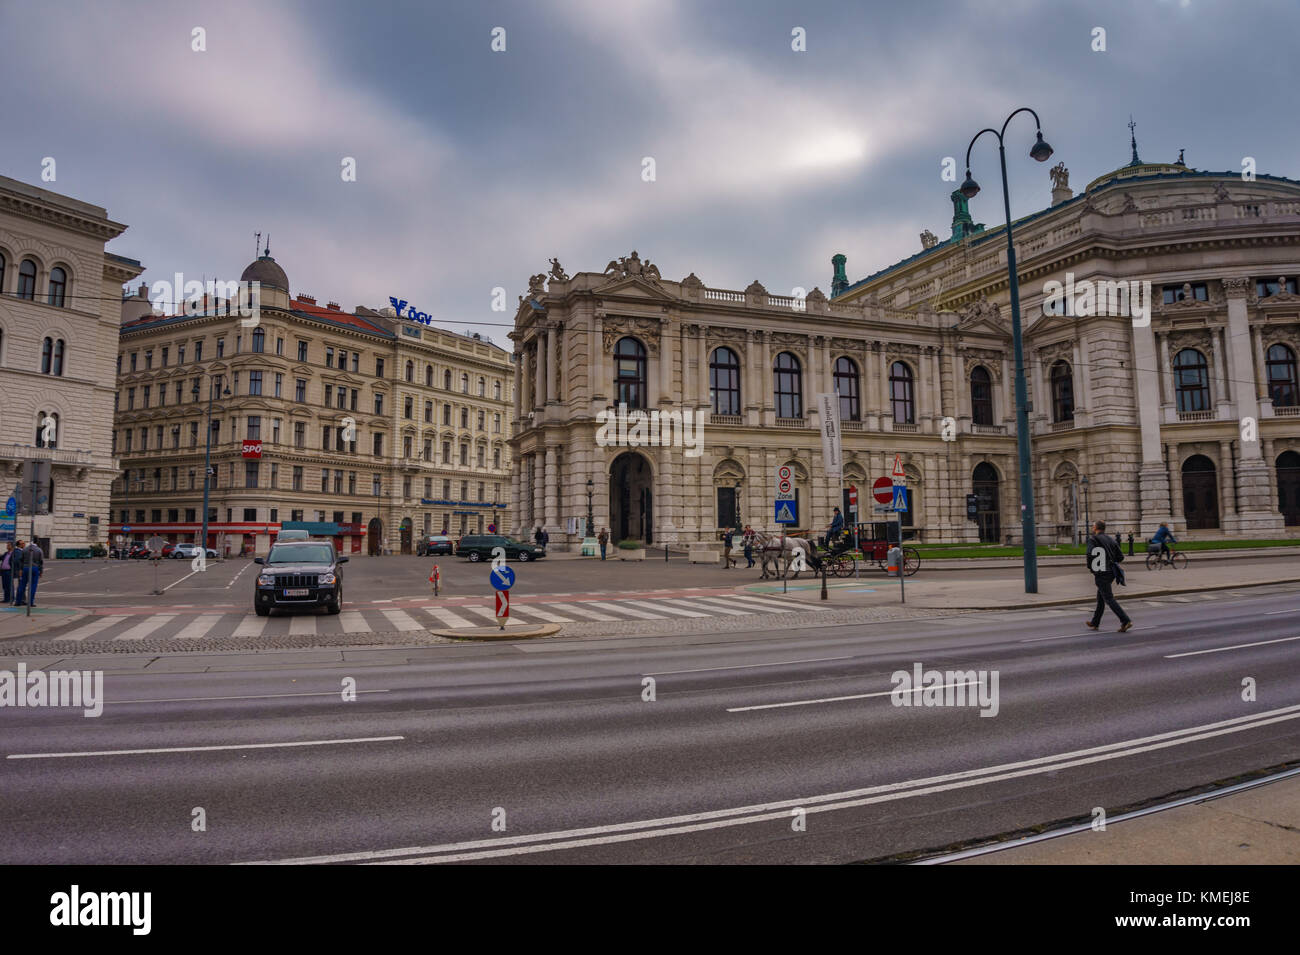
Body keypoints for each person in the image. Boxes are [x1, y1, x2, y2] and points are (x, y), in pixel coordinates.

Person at [1085, 520, 1132, 632]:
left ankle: (1125, 620)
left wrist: (1091, 568)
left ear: (1096, 527)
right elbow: (1120, 557)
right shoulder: (1111, 539)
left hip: (1101, 572)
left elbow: (1089, 554)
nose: (1092, 528)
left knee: (1108, 598)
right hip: (1111, 572)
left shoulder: (1093, 539)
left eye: (1093, 526)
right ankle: (1095, 622)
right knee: (1101, 597)